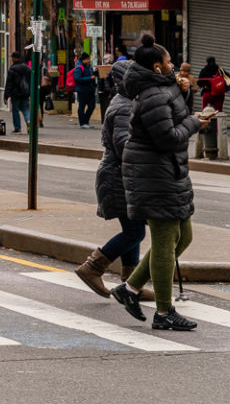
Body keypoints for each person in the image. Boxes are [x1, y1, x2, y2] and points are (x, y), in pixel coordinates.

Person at [112, 35, 207, 331]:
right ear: (157, 66)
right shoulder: (151, 94)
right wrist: (195, 122)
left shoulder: (161, 88)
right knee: (166, 241)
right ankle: (164, 312)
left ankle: (130, 288)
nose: (173, 65)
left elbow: (172, 115)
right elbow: (168, 136)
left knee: (183, 236)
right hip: (154, 174)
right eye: (168, 62)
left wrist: (184, 93)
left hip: (167, 172)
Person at [76, 59, 152, 300]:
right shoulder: (124, 107)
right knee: (134, 232)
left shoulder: (127, 102)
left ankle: (130, 285)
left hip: (121, 175)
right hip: (118, 177)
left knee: (134, 228)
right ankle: (92, 267)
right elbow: (123, 145)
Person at [4, 51, 32, 133]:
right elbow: (30, 81)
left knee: (15, 110)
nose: (11, 59)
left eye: (12, 57)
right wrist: (29, 92)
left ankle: (17, 127)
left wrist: (6, 96)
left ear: (14, 58)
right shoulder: (27, 68)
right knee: (25, 109)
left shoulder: (12, 69)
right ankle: (28, 121)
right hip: (25, 93)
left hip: (15, 93)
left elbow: (9, 83)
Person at [73, 51, 98, 128]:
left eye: (89, 59)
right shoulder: (79, 67)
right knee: (82, 106)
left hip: (90, 90)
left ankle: (86, 122)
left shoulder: (89, 67)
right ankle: (82, 123)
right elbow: (77, 78)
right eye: (87, 59)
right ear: (83, 60)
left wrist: (96, 72)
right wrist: (89, 78)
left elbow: (92, 75)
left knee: (92, 106)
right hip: (82, 90)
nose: (89, 60)